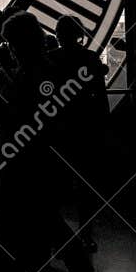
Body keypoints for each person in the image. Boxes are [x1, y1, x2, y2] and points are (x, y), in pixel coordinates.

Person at [0, 11, 103, 272]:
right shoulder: (45, 72)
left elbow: (22, 116)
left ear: (18, 42)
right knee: (44, 224)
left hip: (26, 162)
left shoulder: (31, 73)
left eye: (11, 41)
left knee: (20, 228)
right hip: (40, 161)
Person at [51, 15, 110, 251]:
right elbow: (99, 98)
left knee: (57, 186)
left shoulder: (51, 61)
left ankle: (59, 239)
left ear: (58, 35)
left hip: (60, 131)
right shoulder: (90, 59)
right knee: (85, 188)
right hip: (86, 130)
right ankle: (86, 234)